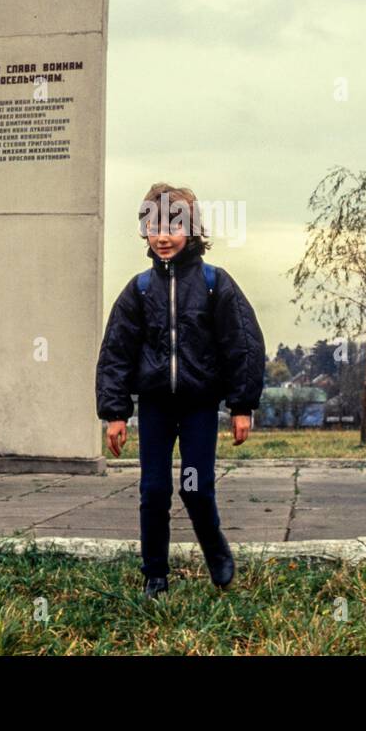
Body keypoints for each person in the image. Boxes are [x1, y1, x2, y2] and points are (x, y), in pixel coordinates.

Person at [95, 183, 266, 598]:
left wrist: (241, 405)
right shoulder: (138, 291)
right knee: (153, 490)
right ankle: (155, 574)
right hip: (154, 407)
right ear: (145, 232)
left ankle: (216, 554)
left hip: (198, 407)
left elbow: (242, 343)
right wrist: (115, 413)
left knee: (194, 487)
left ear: (192, 229)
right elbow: (116, 352)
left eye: (174, 225)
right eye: (154, 226)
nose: (164, 236)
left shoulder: (213, 284)